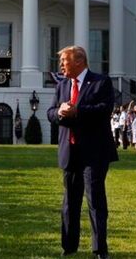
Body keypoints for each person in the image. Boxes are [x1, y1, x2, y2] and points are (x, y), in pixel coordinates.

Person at [46, 46, 117, 259]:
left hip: (93, 152)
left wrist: (78, 111)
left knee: (95, 200)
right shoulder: (62, 85)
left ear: (79, 61)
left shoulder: (101, 82)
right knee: (70, 202)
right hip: (70, 150)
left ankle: (99, 249)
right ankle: (68, 246)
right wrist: (59, 112)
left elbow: (104, 110)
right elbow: (50, 112)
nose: (61, 66)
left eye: (64, 61)